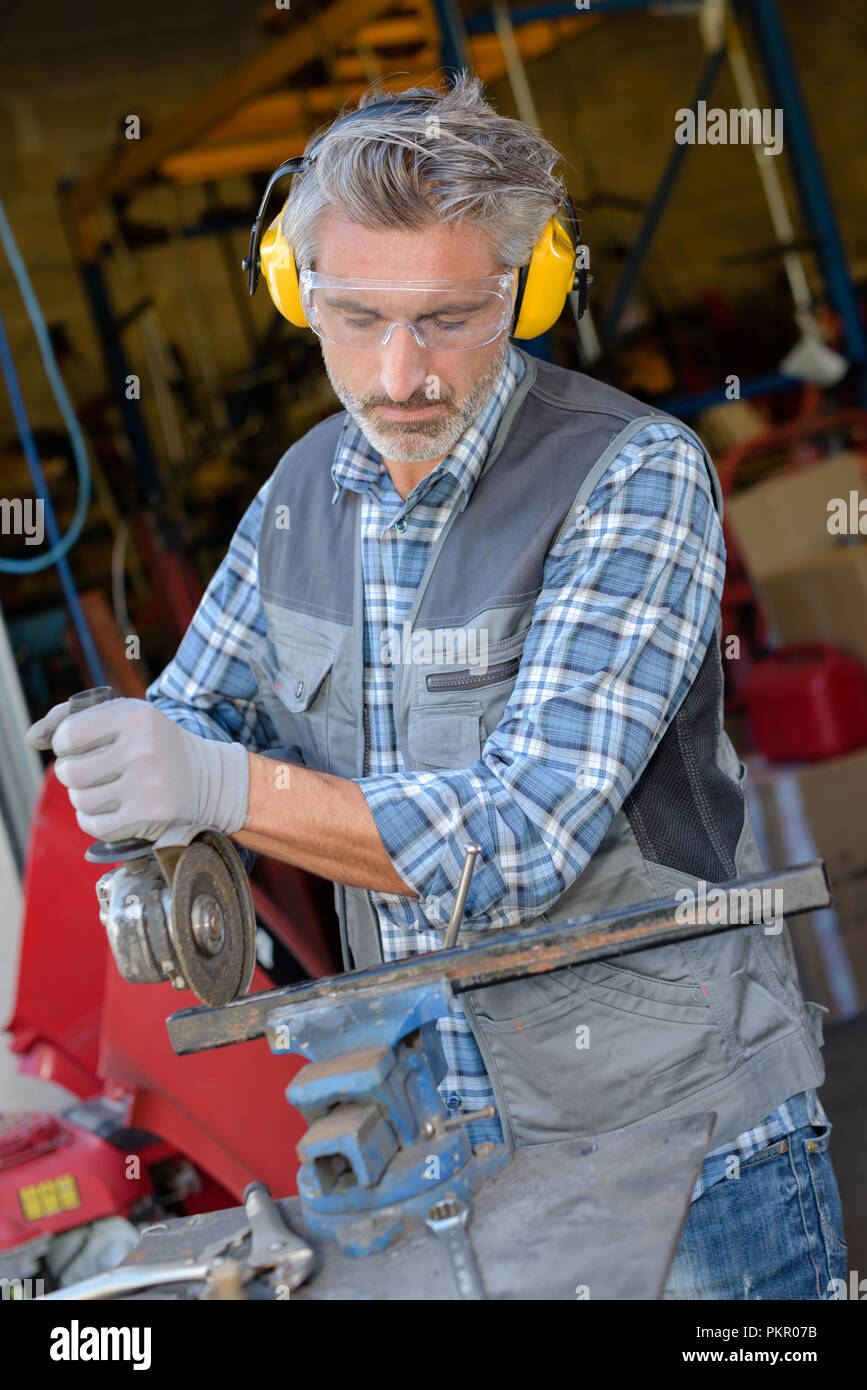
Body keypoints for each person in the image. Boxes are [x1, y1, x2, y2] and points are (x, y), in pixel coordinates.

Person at [27, 73, 846, 1300]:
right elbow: (202, 705)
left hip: (682, 1159)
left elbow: (521, 837)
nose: (402, 375)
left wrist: (216, 782)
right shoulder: (301, 491)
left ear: (528, 286)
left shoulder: (633, 475)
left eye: (450, 319)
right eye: (358, 319)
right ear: (299, 294)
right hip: (435, 1161)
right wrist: (141, 766)